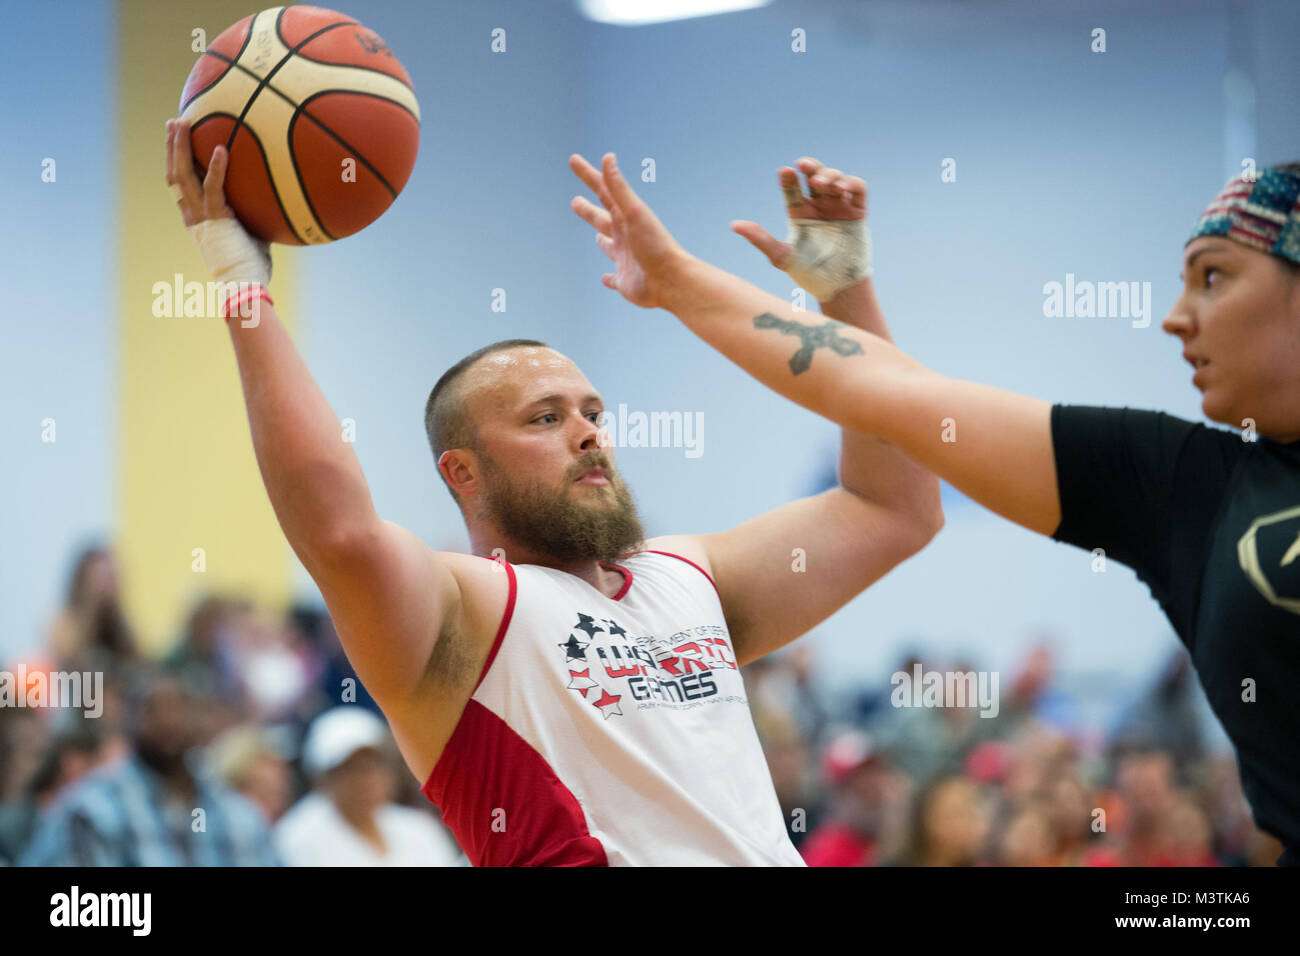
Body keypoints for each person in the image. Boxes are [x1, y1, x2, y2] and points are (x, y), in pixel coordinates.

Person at [162, 119, 944, 866]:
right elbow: (339, 532)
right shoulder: (464, 613)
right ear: (461, 472)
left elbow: (897, 508)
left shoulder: (687, 576)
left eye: (594, 413)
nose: (587, 432)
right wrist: (241, 287)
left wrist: (844, 287)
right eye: (545, 417)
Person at [566, 149, 1300, 866]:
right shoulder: (1182, 484)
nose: (1175, 317)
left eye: (1213, 278)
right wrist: (691, 280)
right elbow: (891, 400)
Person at [20, 674, 277, 866]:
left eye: (179, 708)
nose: (168, 722)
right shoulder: (93, 810)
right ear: (128, 721)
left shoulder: (238, 816)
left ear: (199, 719)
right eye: (153, 711)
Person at [273, 707, 463, 866]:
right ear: (323, 778)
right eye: (350, 769)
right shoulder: (297, 836)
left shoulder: (419, 828)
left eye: (372, 766)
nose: (365, 780)